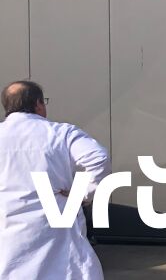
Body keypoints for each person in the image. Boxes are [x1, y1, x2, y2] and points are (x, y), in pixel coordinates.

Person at [0, 80, 110, 280]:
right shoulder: (61, 133)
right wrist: (82, 193)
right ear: (39, 104)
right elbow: (99, 158)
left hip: (7, 224)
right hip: (56, 219)